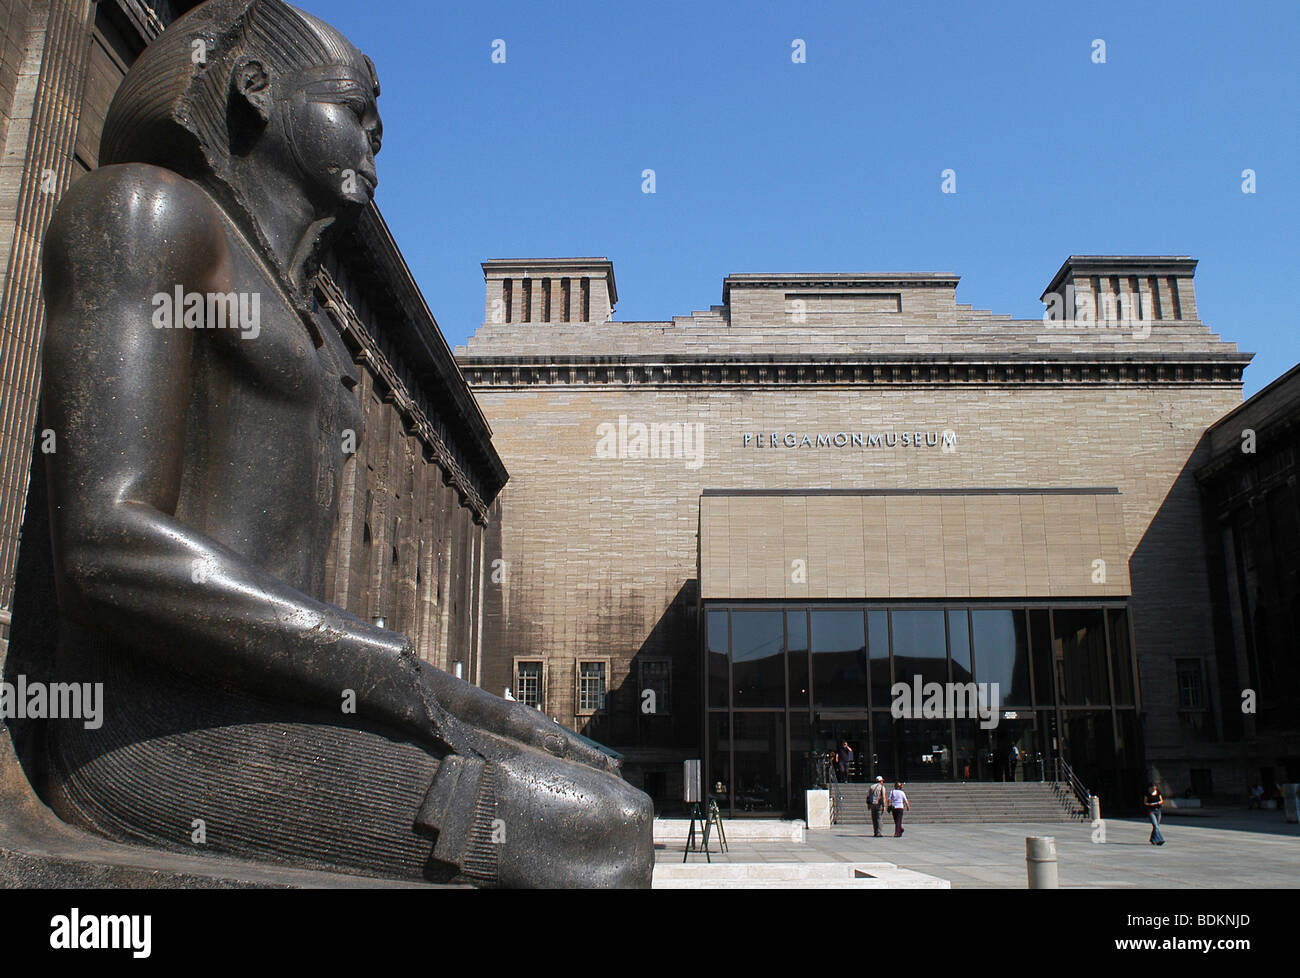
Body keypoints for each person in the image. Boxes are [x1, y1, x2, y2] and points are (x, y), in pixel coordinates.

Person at [35, 0, 653, 889]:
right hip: (156, 733)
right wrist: (373, 661)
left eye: (379, 125)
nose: (372, 140)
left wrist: (524, 723)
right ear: (256, 88)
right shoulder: (148, 212)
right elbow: (101, 545)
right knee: (602, 830)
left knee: (595, 773)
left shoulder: (316, 327)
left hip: (282, 703)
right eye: (349, 113)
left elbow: (351, 648)